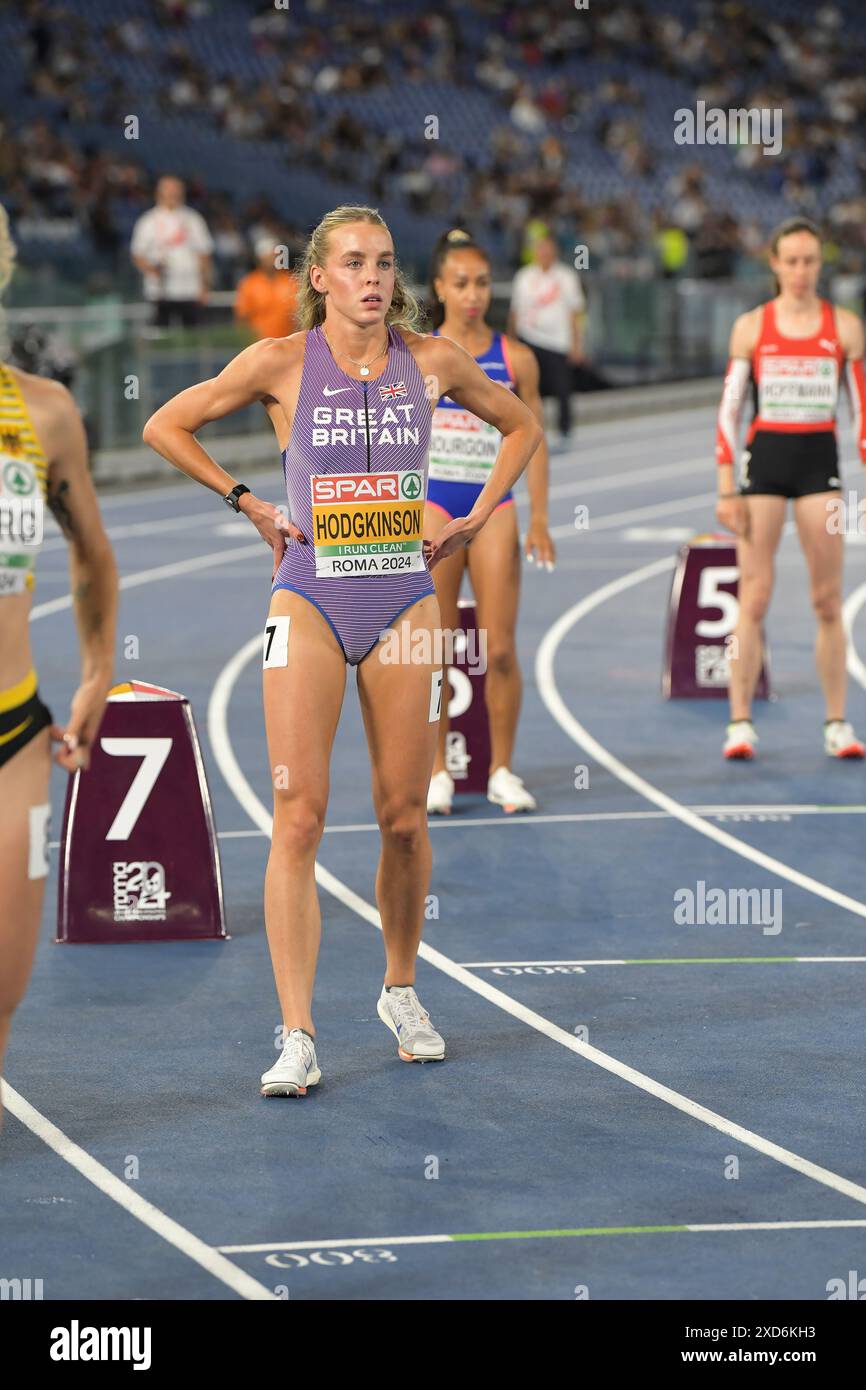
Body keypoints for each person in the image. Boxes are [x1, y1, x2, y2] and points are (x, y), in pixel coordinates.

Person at [141, 204, 541, 1098]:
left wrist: (476, 515)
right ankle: (297, 1032)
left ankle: (401, 989)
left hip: (404, 596)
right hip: (311, 595)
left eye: (385, 263)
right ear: (318, 276)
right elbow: (165, 425)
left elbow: (522, 427)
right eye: (354, 263)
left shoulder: (432, 361)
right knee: (300, 816)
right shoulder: (281, 363)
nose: (373, 278)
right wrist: (246, 500)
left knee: (404, 815)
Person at [0, 205, 118, 1125]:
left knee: (4, 983)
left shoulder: (43, 413)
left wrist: (94, 671)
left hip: (16, 734)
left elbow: (92, 556)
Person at [715, 216, 866, 760]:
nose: (801, 271)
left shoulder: (844, 327)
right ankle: (739, 722)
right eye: (792, 261)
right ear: (775, 264)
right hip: (765, 470)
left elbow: (863, 415)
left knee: (827, 599)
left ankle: (836, 722)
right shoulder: (751, 327)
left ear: (820, 264)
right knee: (753, 596)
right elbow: (730, 412)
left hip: (818, 467)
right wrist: (726, 484)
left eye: (810, 261)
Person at [424, 228, 555, 816]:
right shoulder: (415, 353)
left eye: (481, 283)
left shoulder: (515, 357)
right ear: (439, 287)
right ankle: (435, 772)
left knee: (499, 650)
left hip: (493, 504)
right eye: (460, 283)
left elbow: (535, 440)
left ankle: (501, 769)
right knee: (434, 647)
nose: (472, 294)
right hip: (433, 501)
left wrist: (541, 518)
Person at [508, 234, 585, 443]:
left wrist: (577, 344)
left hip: (557, 342)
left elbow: (574, 313)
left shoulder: (566, 276)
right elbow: (515, 311)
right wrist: (511, 341)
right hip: (528, 338)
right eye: (541, 249)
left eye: (548, 249)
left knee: (562, 389)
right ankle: (526, 429)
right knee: (527, 388)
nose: (544, 254)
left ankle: (565, 430)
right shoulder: (524, 276)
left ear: (555, 251)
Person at [130, 176, 213, 329]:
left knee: (193, 335)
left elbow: (204, 254)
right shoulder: (148, 221)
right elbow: (137, 254)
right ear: (159, 193)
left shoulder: (193, 219)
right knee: (162, 335)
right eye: (168, 190)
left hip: (190, 289)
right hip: (160, 290)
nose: (172, 194)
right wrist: (151, 270)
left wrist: (205, 286)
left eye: (176, 190)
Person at [234, 237, 299, 341]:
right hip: (258, 345)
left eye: (274, 256)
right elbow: (242, 317)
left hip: (287, 344)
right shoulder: (249, 283)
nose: (271, 260)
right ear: (259, 259)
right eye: (267, 256)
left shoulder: (291, 281)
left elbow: (299, 316)